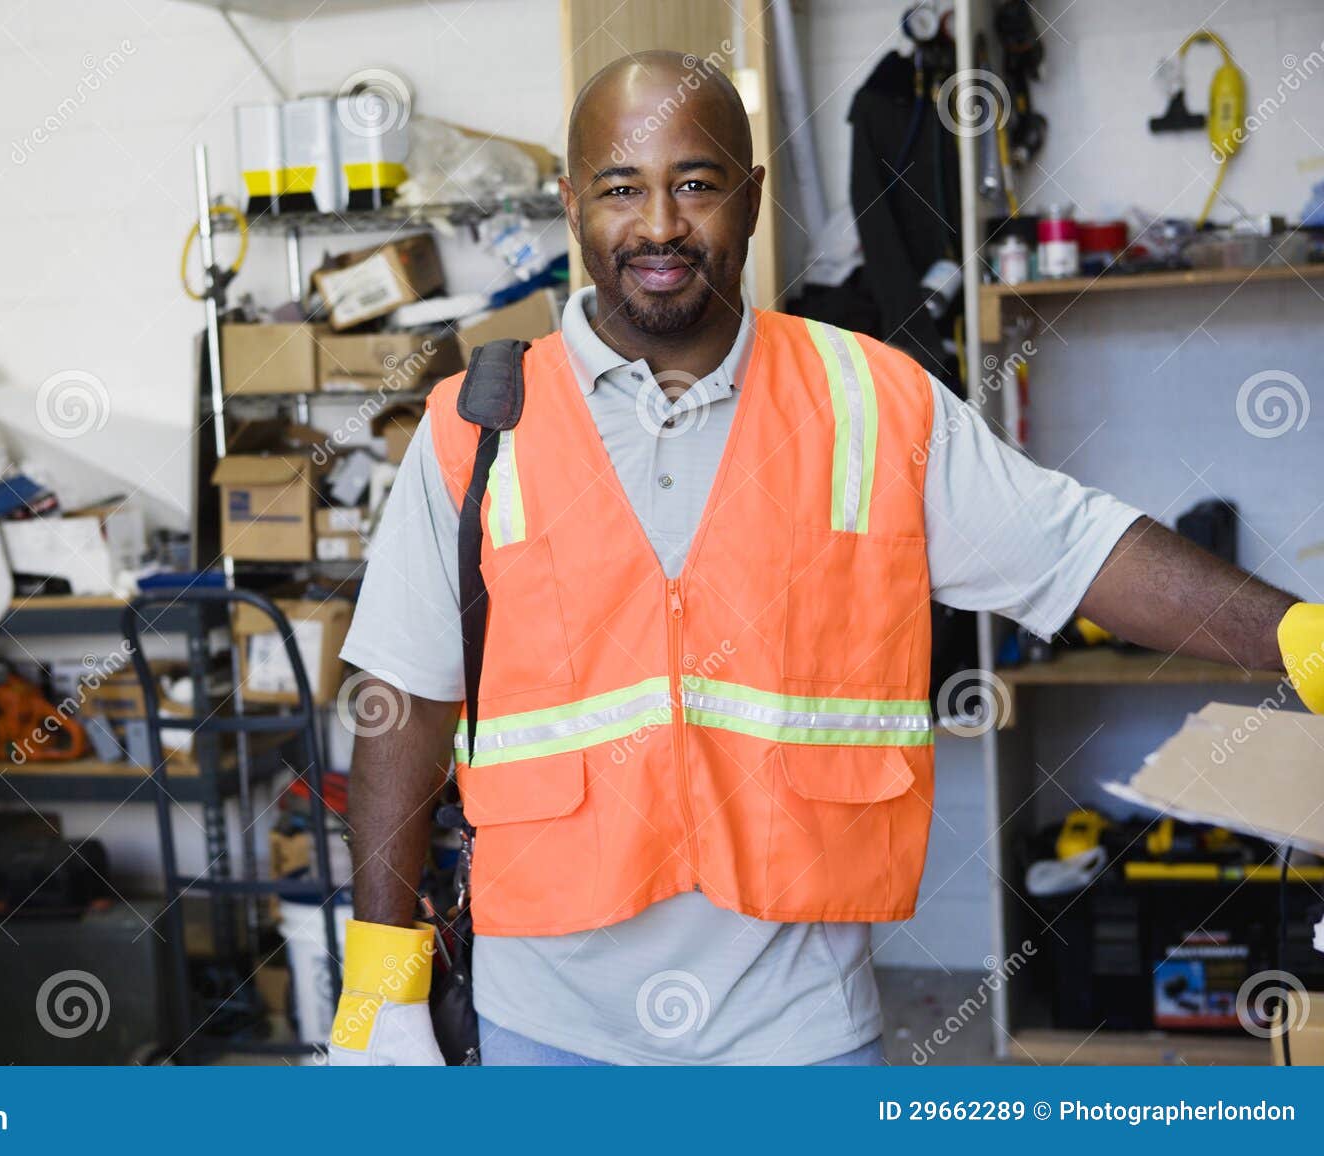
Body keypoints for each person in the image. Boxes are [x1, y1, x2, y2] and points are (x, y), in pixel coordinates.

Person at [327, 51, 1324, 1066]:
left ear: (752, 198)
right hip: (546, 1026)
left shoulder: (870, 402)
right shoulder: (477, 429)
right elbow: (403, 695)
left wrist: (1295, 635)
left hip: (796, 1031)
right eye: (621, 187)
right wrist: (379, 973)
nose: (660, 224)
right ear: (570, 201)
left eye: (697, 183)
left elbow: (1076, 550)